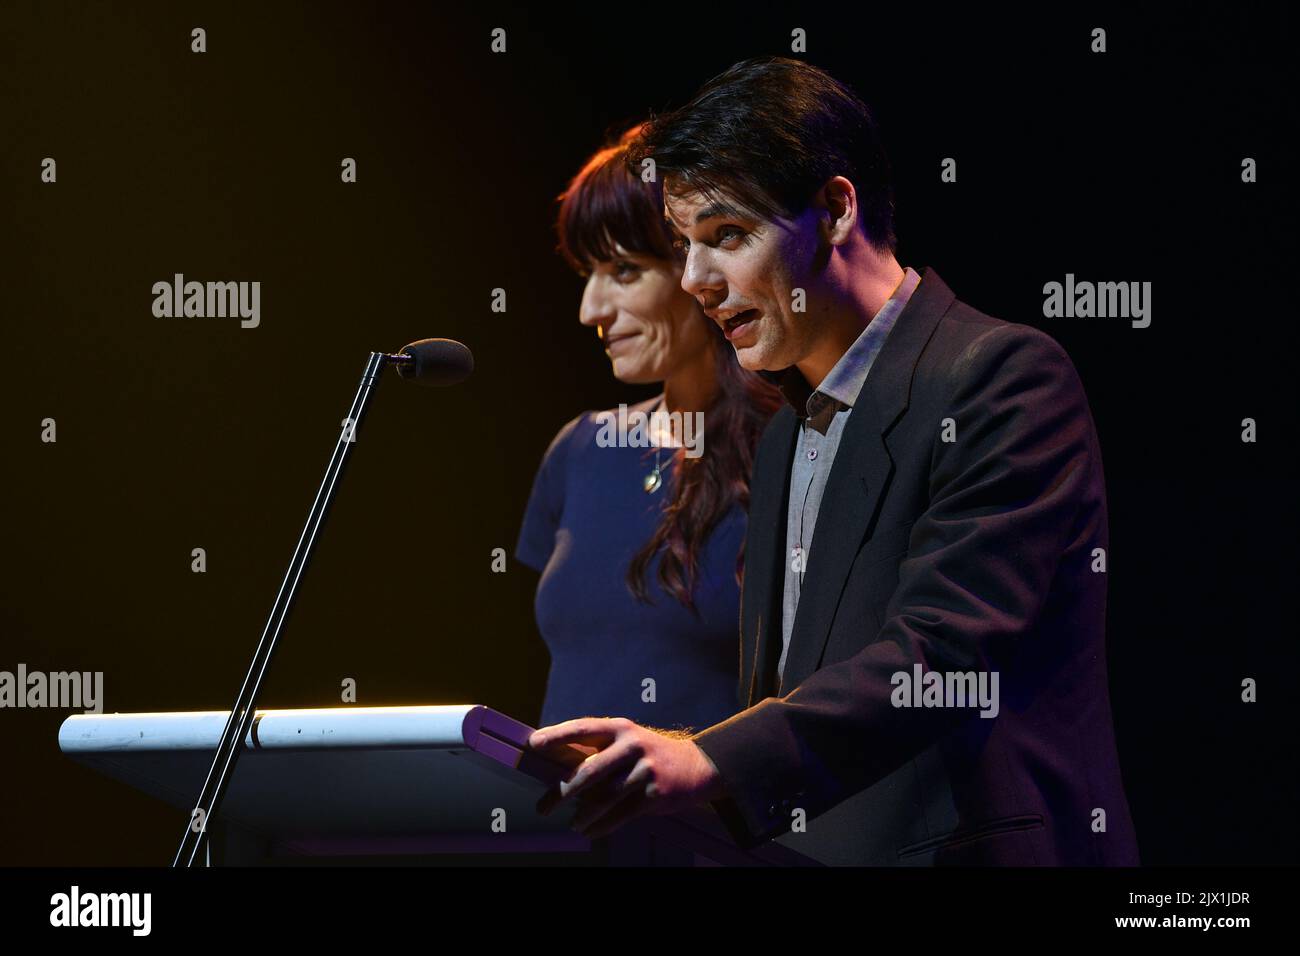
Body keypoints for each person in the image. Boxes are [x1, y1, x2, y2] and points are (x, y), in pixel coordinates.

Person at [528, 58, 1140, 866]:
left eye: (726, 237)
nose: (696, 282)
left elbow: (941, 657)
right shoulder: (787, 431)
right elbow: (794, 703)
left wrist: (703, 758)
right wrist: (669, 751)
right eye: (682, 247)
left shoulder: (1001, 377)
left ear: (836, 209)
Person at [515, 125, 783, 737]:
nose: (591, 310)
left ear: (699, 265)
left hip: (713, 827)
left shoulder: (792, 446)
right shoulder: (578, 450)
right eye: (588, 271)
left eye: (625, 270)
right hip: (567, 824)